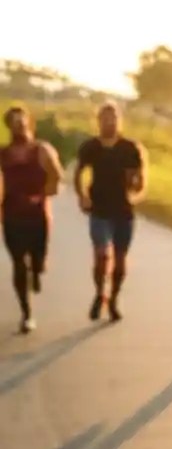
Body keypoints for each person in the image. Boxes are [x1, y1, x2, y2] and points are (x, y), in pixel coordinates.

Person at [74, 103, 147, 322]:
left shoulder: (130, 148)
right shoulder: (91, 147)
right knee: (102, 255)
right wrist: (82, 196)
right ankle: (99, 294)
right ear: (98, 121)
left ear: (119, 120)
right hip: (99, 209)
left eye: (113, 117)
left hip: (123, 210)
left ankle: (114, 298)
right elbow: (78, 173)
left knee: (120, 258)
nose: (110, 122)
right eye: (105, 118)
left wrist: (135, 185)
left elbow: (139, 180)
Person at [0, 106, 63, 333]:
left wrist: (46, 193)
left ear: (29, 123)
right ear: (10, 127)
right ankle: (26, 314)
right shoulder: (3, 154)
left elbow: (56, 175)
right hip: (11, 214)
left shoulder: (42, 149)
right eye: (15, 122)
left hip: (38, 214)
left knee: (37, 261)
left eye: (22, 121)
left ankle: (37, 270)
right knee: (18, 263)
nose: (20, 126)